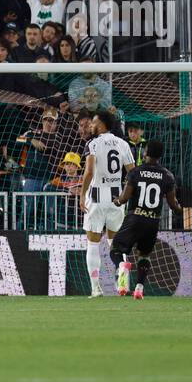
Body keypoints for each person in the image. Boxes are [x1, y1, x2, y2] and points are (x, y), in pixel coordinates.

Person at [110, 138, 185, 299]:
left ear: (145, 153)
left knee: (115, 250)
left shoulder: (135, 172)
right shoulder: (167, 175)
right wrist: (181, 210)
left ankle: (121, 266)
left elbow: (124, 198)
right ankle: (139, 288)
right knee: (144, 255)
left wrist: (116, 201)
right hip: (153, 222)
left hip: (135, 218)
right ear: (160, 156)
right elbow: (173, 204)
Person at [80, 108, 136, 298]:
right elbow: (132, 173)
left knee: (93, 244)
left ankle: (96, 288)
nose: (90, 125)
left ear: (102, 124)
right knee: (116, 244)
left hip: (96, 198)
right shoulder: (123, 144)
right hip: (116, 199)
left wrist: (81, 194)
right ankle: (122, 283)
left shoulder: (93, 144)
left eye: (93, 122)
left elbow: (88, 172)